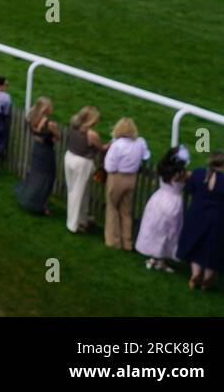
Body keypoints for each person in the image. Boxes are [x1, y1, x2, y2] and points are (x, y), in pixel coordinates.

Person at [178, 151, 224, 290]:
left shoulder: (198, 173)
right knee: (213, 250)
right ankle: (206, 280)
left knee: (196, 245)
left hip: (197, 216)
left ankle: (194, 276)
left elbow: (189, 188)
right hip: (218, 222)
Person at [136, 147, 190, 271]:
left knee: (155, 229)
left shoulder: (162, 167)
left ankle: (154, 258)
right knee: (168, 232)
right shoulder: (181, 174)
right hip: (172, 203)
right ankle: (160, 259)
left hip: (158, 199)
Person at [103, 117, 151, 251]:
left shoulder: (117, 145)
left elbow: (109, 165)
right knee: (126, 211)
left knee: (112, 208)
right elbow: (146, 156)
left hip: (117, 177)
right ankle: (127, 242)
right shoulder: (140, 143)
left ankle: (114, 241)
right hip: (132, 178)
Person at [15, 97, 60, 214]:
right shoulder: (49, 124)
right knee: (48, 177)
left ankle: (32, 199)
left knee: (36, 174)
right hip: (46, 152)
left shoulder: (32, 119)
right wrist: (55, 130)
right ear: (46, 109)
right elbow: (58, 137)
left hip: (37, 149)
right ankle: (41, 205)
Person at [63, 105, 105, 233]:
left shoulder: (73, 125)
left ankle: (82, 218)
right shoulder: (91, 134)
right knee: (78, 193)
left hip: (70, 156)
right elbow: (101, 148)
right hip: (82, 163)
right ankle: (73, 224)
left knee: (75, 190)